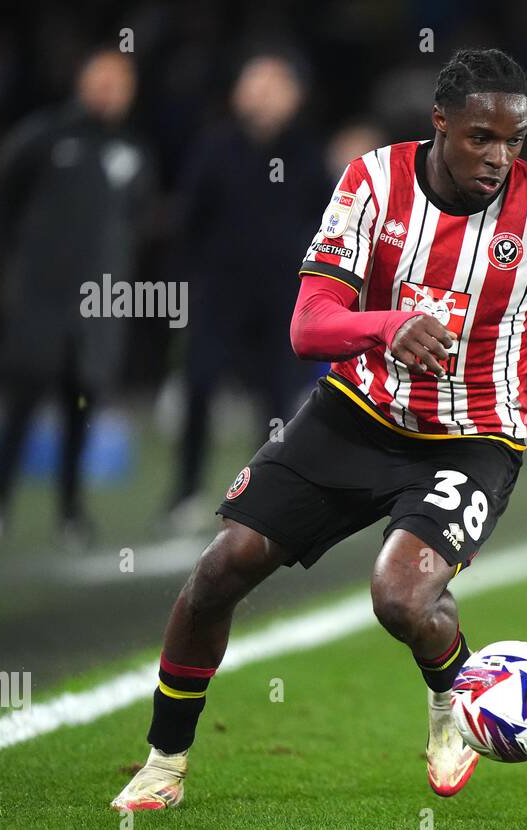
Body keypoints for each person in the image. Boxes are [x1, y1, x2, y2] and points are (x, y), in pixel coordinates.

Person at [111, 48, 527, 811]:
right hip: (357, 413)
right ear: (439, 124)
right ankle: (164, 762)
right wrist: (387, 326)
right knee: (221, 569)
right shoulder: (372, 183)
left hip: (473, 437)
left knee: (400, 599)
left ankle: (451, 700)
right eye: (482, 137)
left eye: (515, 139)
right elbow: (309, 327)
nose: (500, 158)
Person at [0, 48, 151, 551]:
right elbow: (2, 199)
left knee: (83, 405)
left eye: (119, 83)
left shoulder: (136, 152)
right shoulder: (42, 136)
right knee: (22, 402)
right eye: (100, 80)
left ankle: (71, 512)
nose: (108, 91)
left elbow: (138, 222)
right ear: (81, 81)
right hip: (41, 299)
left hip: (99, 305)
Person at [164, 52, 331, 533]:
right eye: (252, 84)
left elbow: (329, 227)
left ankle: (257, 497)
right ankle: (186, 491)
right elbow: (188, 221)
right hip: (220, 296)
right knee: (198, 386)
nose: (260, 95)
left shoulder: (306, 152)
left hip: (282, 298)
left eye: (272, 85)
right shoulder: (216, 146)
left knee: (277, 401)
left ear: (294, 96)